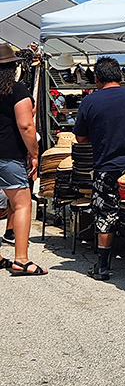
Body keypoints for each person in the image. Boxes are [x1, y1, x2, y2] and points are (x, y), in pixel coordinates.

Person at [74, 57, 125, 280]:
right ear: (120, 76)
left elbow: (80, 137)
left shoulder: (90, 102)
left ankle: (102, 267)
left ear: (97, 78)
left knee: (105, 214)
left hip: (106, 166)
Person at [0, 43, 46, 275]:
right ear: (13, 68)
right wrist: (35, 154)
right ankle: (21, 259)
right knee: (22, 205)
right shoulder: (17, 90)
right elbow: (26, 125)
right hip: (9, 155)